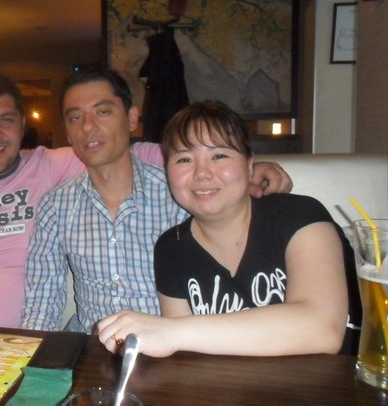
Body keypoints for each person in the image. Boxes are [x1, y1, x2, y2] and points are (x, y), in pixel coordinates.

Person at [0, 71, 289, 328]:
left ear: (24, 125)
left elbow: (137, 151)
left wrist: (243, 170)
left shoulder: (53, 165)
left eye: (7, 121)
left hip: (13, 343)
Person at [21, 68, 293, 333]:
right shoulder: (56, 206)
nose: (88, 126)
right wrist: (34, 358)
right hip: (93, 347)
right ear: (68, 133)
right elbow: (42, 300)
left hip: (171, 343)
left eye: (102, 112)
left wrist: (248, 175)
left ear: (131, 118)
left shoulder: (182, 191)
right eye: (75, 117)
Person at [97, 100, 361, 356]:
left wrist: (170, 332)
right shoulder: (171, 249)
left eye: (219, 155)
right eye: (184, 159)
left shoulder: (299, 216)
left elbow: (322, 329)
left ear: (249, 165)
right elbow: (186, 359)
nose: (202, 173)